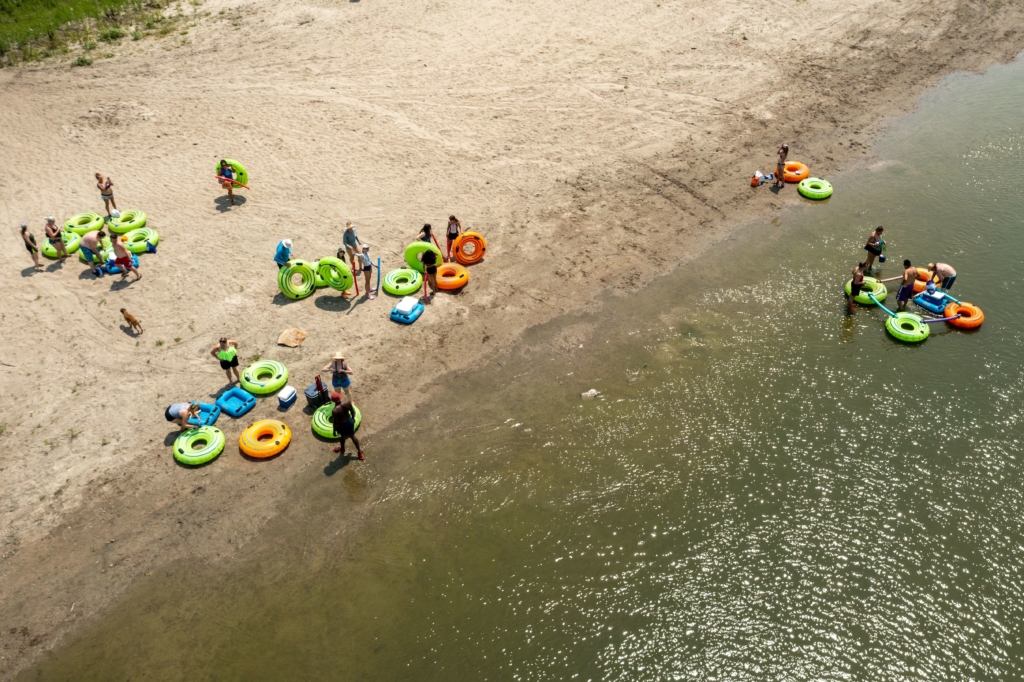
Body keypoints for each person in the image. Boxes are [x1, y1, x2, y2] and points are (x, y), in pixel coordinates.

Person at [329, 392, 364, 460]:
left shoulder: (335, 411)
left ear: (332, 401)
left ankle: (342, 449)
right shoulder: (347, 402)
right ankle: (359, 452)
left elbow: (335, 422)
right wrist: (353, 418)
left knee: (341, 437)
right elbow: (353, 412)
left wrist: (334, 430)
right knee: (352, 436)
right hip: (349, 421)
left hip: (342, 425)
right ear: (340, 397)